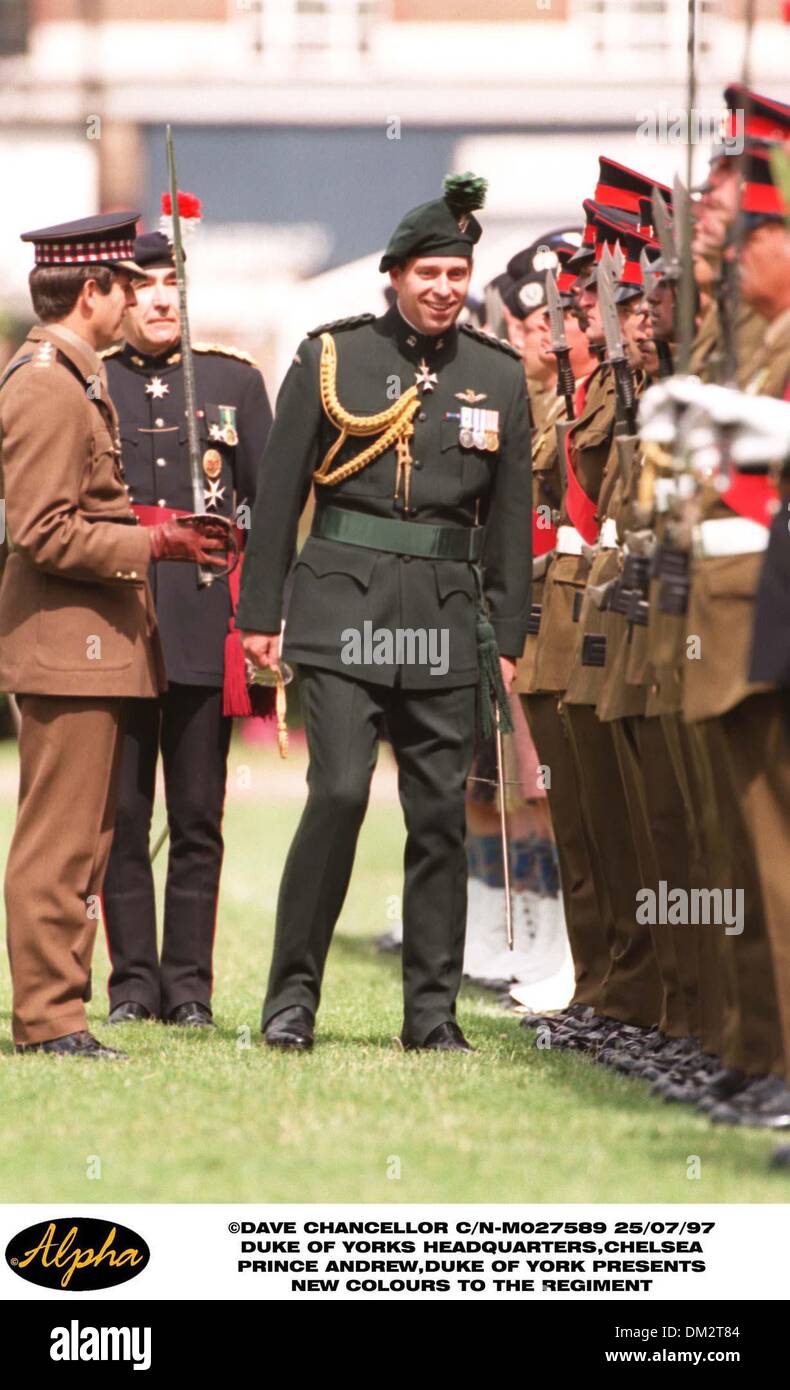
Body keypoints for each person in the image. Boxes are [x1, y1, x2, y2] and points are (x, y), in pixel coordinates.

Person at [237, 174, 532, 1052]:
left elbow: (510, 521)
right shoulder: (332, 358)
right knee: (334, 794)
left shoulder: (498, 375)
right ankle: (291, 1003)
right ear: (395, 276)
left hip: (445, 618)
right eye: (428, 273)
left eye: (456, 274)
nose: (443, 289)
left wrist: (507, 636)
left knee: (439, 814)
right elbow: (279, 488)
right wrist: (261, 614)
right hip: (338, 609)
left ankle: (431, 1016)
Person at [0, 213, 231, 1060]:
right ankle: (48, 1018)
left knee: (89, 844)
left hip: (92, 648)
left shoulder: (70, 376)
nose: (136, 300)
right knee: (58, 845)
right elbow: (43, 530)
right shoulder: (45, 385)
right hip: (69, 651)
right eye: (125, 287)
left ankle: (61, 1011)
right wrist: (156, 542)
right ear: (92, 292)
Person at [100, 221, 273, 1028]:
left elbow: (269, 513)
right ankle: (132, 986)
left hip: (207, 619)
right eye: (142, 286)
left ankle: (190, 990)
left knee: (199, 816)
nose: (161, 299)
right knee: (123, 817)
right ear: (114, 297)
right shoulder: (92, 382)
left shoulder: (234, 382)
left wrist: (268, 618)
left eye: (172, 283)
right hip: (118, 619)